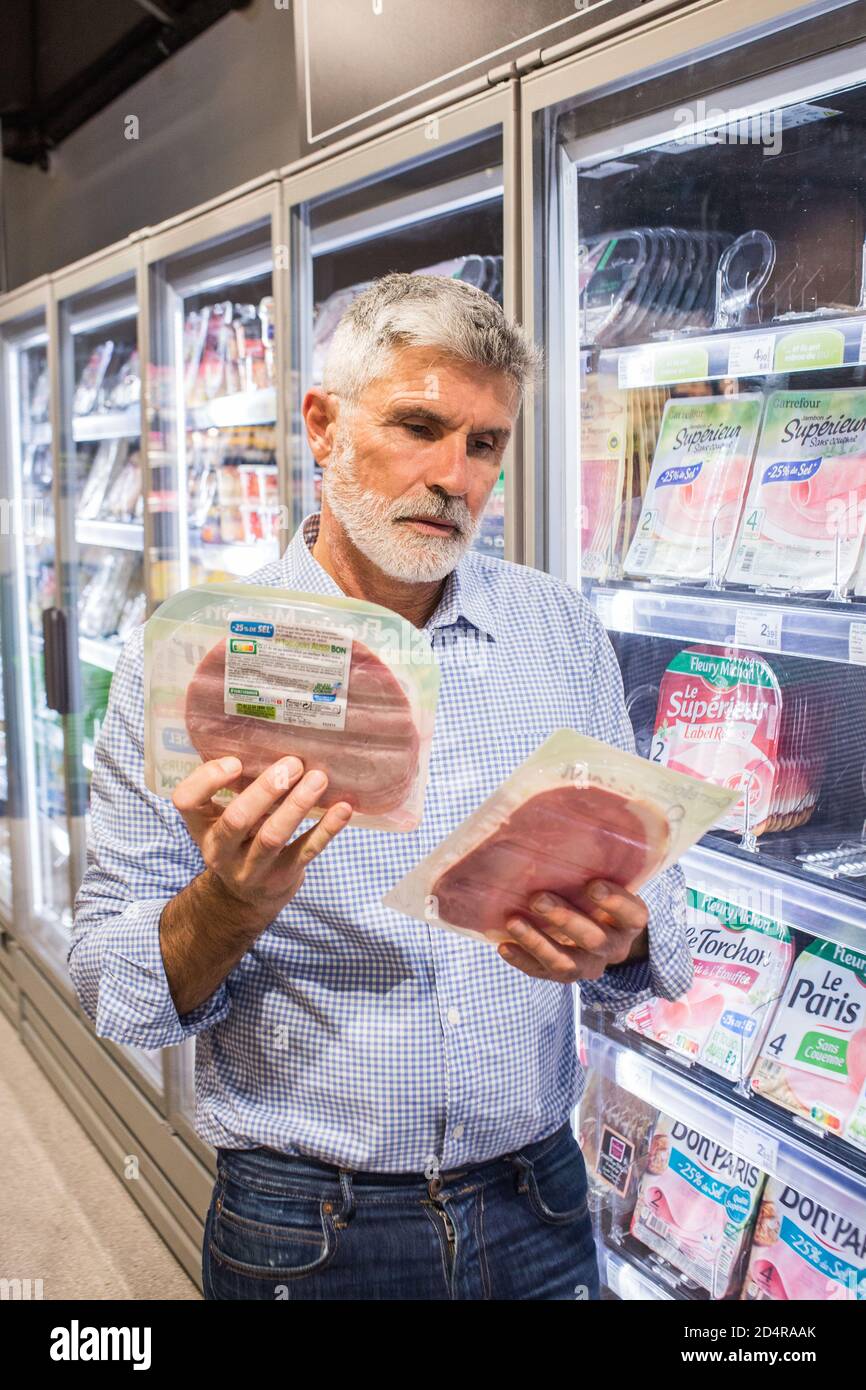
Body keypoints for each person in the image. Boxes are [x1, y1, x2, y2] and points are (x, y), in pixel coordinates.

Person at [70, 272, 690, 1301]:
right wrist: (229, 903)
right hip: (306, 1221)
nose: (454, 477)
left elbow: (650, 883)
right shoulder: (185, 658)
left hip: (537, 1195)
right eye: (418, 426)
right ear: (322, 426)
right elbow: (109, 979)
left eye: (484, 443)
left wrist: (622, 936)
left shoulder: (557, 627)